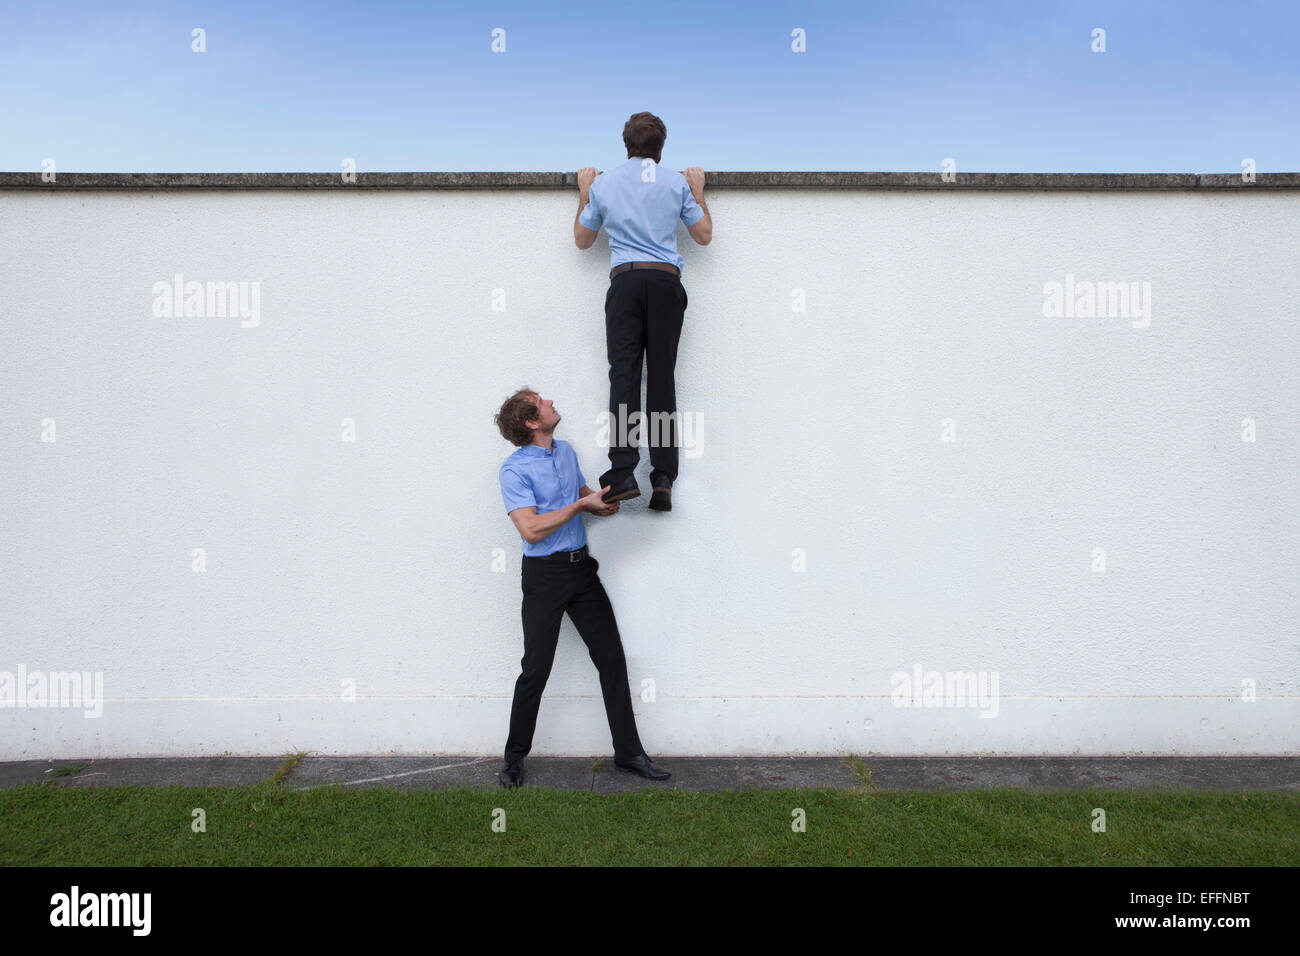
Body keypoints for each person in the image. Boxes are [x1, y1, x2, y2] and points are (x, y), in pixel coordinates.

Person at [494, 387, 671, 787]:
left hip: (581, 571)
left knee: (612, 658)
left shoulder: (566, 451)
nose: (552, 401)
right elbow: (530, 528)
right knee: (535, 669)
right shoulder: (513, 470)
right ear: (531, 421)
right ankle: (514, 758)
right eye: (542, 402)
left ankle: (629, 754)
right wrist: (579, 508)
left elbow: (578, 494)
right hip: (544, 578)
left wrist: (602, 500)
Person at [574, 111, 712, 513]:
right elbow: (703, 236)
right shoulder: (676, 183)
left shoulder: (604, 184)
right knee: (662, 378)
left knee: (625, 376)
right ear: (661, 146)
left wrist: (584, 193)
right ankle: (663, 475)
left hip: (627, 282)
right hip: (666, 283)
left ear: (626, 144)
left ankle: (622, 471)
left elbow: (583, 241)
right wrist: (698, 191)